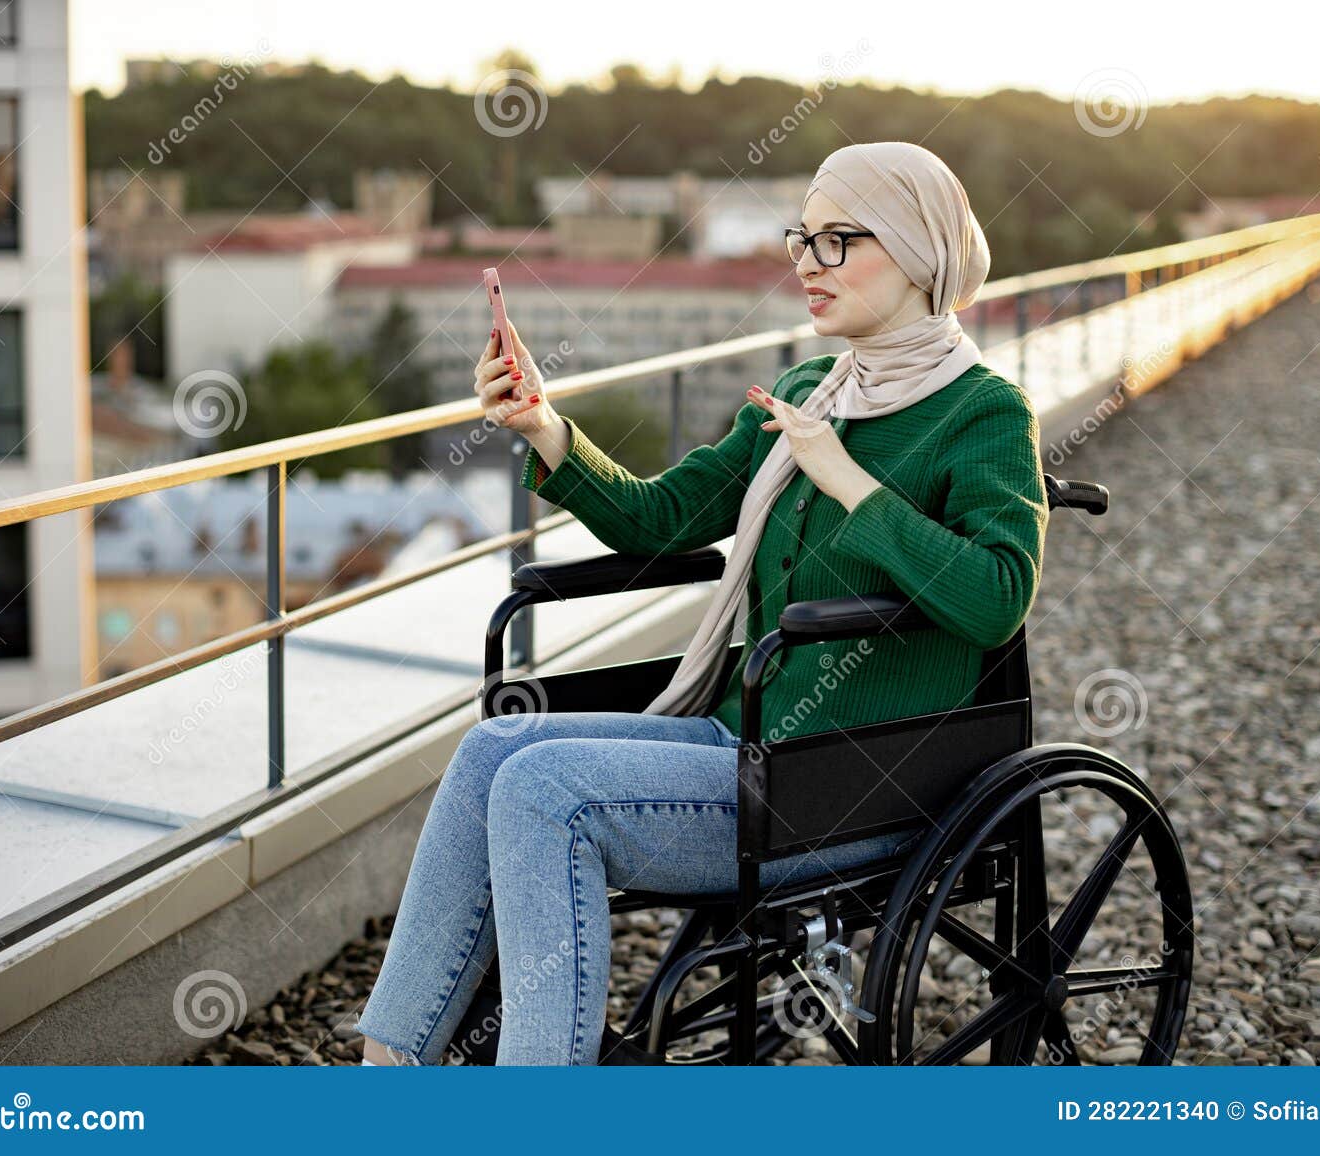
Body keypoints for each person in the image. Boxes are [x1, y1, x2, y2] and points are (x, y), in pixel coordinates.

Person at [358, 140, 1048, 1066]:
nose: (806, 260)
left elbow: (997, 598)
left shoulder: (985, 414)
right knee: (493, 748)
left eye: (839, 239)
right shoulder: (809, 392)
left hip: (852, 780)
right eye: (802, 236)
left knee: (544, 791)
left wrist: (849, 483)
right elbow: (665, 517)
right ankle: (389, 1065)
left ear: (920, 250)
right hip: (746, 738)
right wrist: (546, 427)